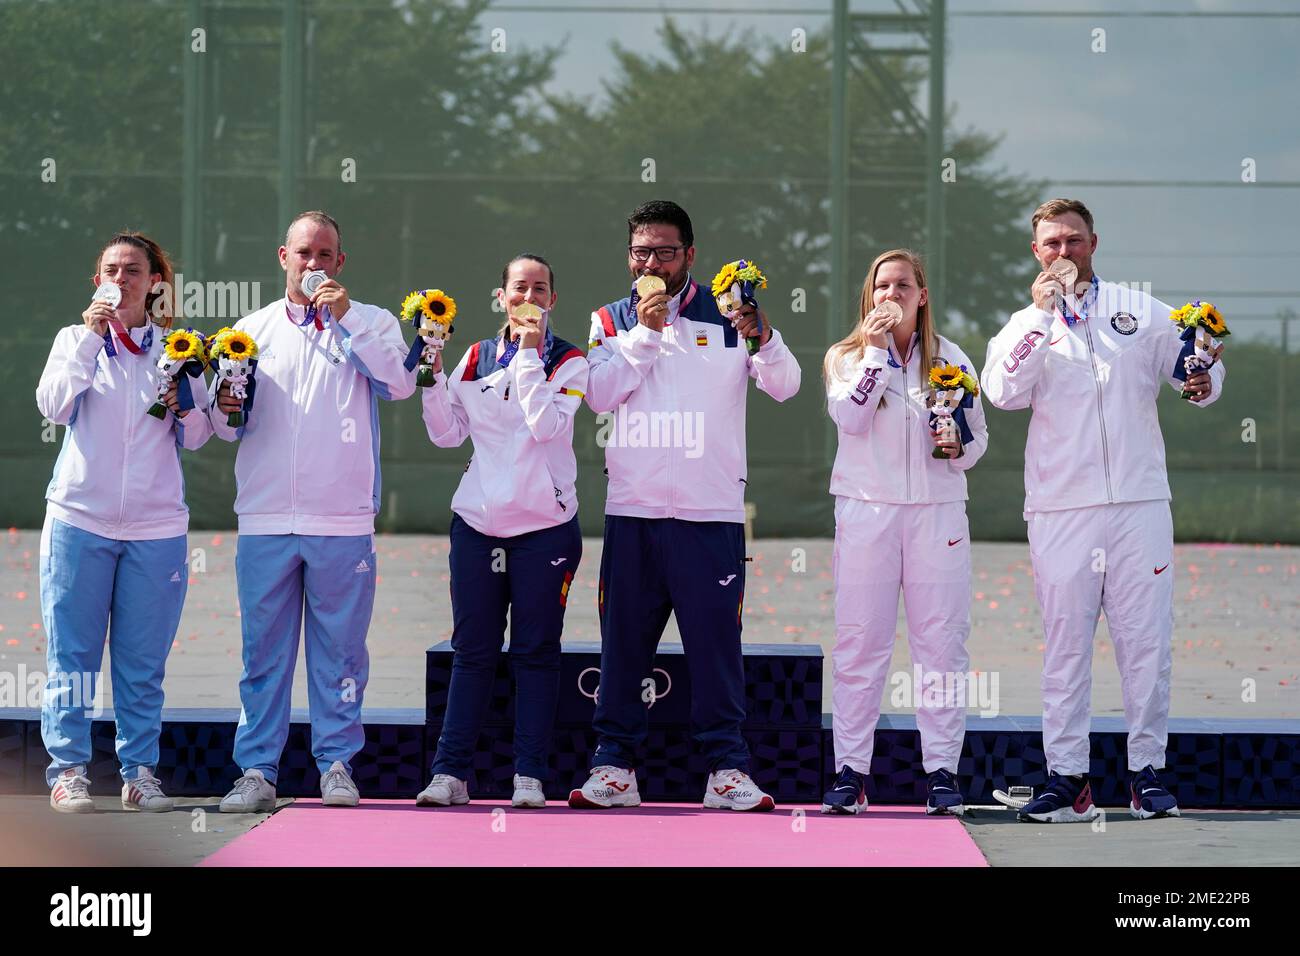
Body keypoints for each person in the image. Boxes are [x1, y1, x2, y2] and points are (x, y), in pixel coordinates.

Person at [981, 198, 1225, 823]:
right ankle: (1068, 778)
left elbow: (1194, 374)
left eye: (1073, 241)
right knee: (1065, 646)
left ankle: (1148, 774)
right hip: (1062, 508)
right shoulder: (1023, 325)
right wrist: (1040, 316)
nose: (1062, 253)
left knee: (1146, 643)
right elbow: (1002, 392)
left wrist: (1205, 382)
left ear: (1094, 243)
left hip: (1139, 503)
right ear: (1036, 253)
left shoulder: (1142, 312)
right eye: (1050, 244)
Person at [568, 200, 801, 811]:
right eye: (642, 252)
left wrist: (763, 337)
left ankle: (727, 771)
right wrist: (645, 332)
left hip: (710, 514)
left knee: (716, 649)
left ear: (689, 256)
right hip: (634, 511)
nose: (652, 263)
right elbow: (599, 395)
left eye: (665, 252)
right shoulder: (609, 320)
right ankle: (614, 768)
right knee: (622, 648)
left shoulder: (727, 313)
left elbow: (785, 385)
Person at [211, 210, 416, 812]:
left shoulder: (371, 322)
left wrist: (347, 318)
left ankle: (336, 765)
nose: (314, 265)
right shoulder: (248, 331)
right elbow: (229, 429)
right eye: (303, 253)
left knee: (342, 653)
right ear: (283, 257)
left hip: (342, 519)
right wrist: (226, 403)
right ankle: (257, 770)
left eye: (325, 254)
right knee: (262, 655)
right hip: (266, 519)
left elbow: (400, 386)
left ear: (341, 263)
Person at [36, 231, 213, 813]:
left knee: (142, 662)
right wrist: (89, 339)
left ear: (155, 282)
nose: (121, 278)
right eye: (111, 269)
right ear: (97, 281)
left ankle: (140, 772)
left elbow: (197, 434)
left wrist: (184, 392)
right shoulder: (73, 338)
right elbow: (54, 407)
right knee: (72, 655)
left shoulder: (182, 346)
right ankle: (68, 771)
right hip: (79, 521)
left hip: (155, 529)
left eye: (133, 270)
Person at [415, 254, 587, 809]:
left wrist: (532, 357)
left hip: (546, 530)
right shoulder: (474, 356)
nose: (530, 298)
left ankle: (530, 776)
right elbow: (447, 435)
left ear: (553, 299)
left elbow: (547, 425)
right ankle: (450, 774)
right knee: (473, 651)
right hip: (478, 528)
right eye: (520, 288)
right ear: (502, 296)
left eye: (541, 289)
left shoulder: (571, 361)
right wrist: (434, 373)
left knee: (536, 651)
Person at [819, 249, 988, 817]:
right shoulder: (846, 357)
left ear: (922, 296)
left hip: (938, 514)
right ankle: (850, 773)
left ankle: (941, 772)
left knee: (941, 645)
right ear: (870, 297)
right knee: (860, 643)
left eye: (903, 286)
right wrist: (875, 354)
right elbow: (851, 418)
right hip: (867, 511)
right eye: (881, 286)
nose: (891, 295)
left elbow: (977, 442)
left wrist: (958, 445)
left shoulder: (953, 358)